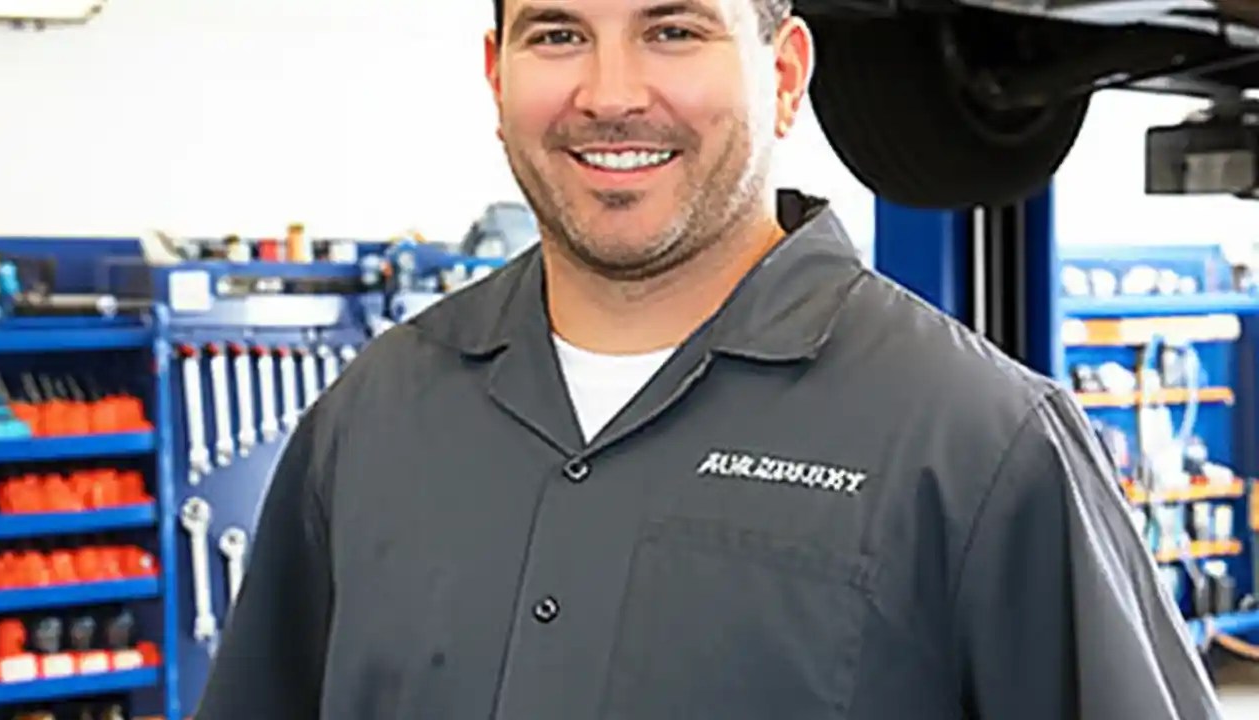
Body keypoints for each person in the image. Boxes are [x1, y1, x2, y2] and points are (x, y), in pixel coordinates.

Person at [195, 0, 1225, 717]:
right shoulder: (373, 419)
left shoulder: (978, 445)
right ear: (495, 73)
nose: (608, 93)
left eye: (673, 29)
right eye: (557, 33)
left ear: (782, 76)